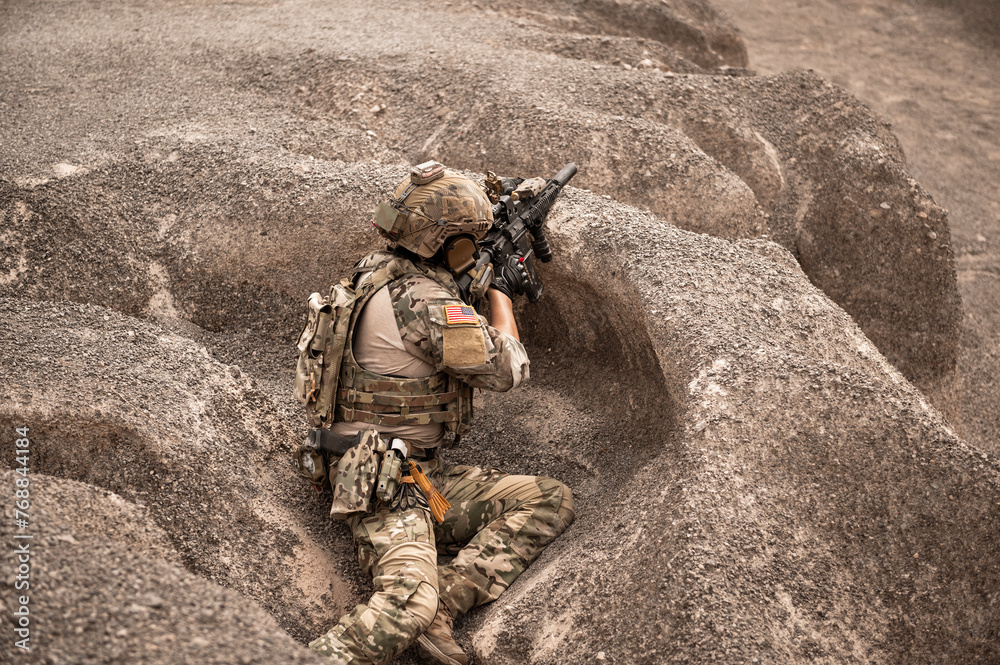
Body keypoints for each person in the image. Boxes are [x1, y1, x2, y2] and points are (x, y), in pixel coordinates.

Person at [306, 163, 575, 665]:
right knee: (405, 606)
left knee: (547, 500)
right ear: (449, 246)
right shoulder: (424, 301)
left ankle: (443, 606)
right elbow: (505, 370)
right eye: (467, 241)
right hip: (384, 481)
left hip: (414, 472)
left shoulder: (378, 273)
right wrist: (502, 296)